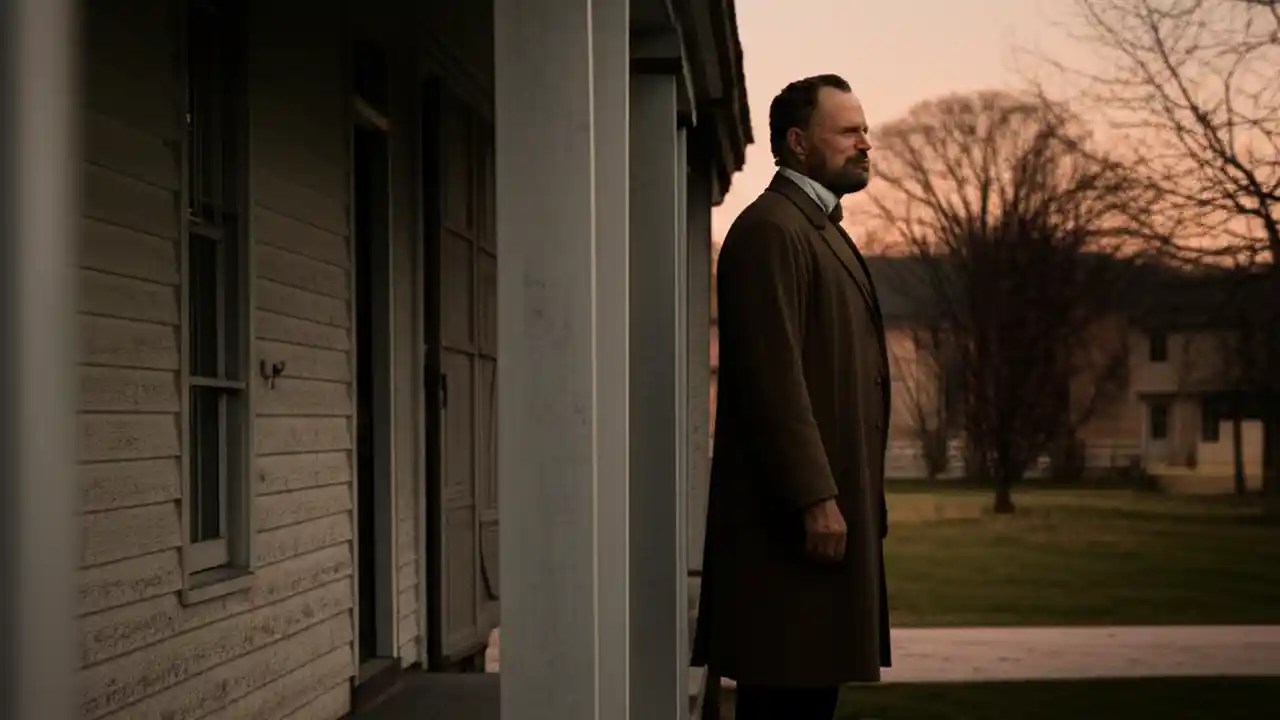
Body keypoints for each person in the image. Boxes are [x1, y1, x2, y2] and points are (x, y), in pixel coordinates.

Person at [691, 74, 892, 720]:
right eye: (849, 131)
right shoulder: (771, 231)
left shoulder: (818, 228)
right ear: (799, 143)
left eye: (864, 129)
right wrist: (816, 498)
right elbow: (773, 380)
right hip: (794, 530)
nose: (866, 143)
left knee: (810, 699)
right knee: (783, 699)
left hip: (823, 522)